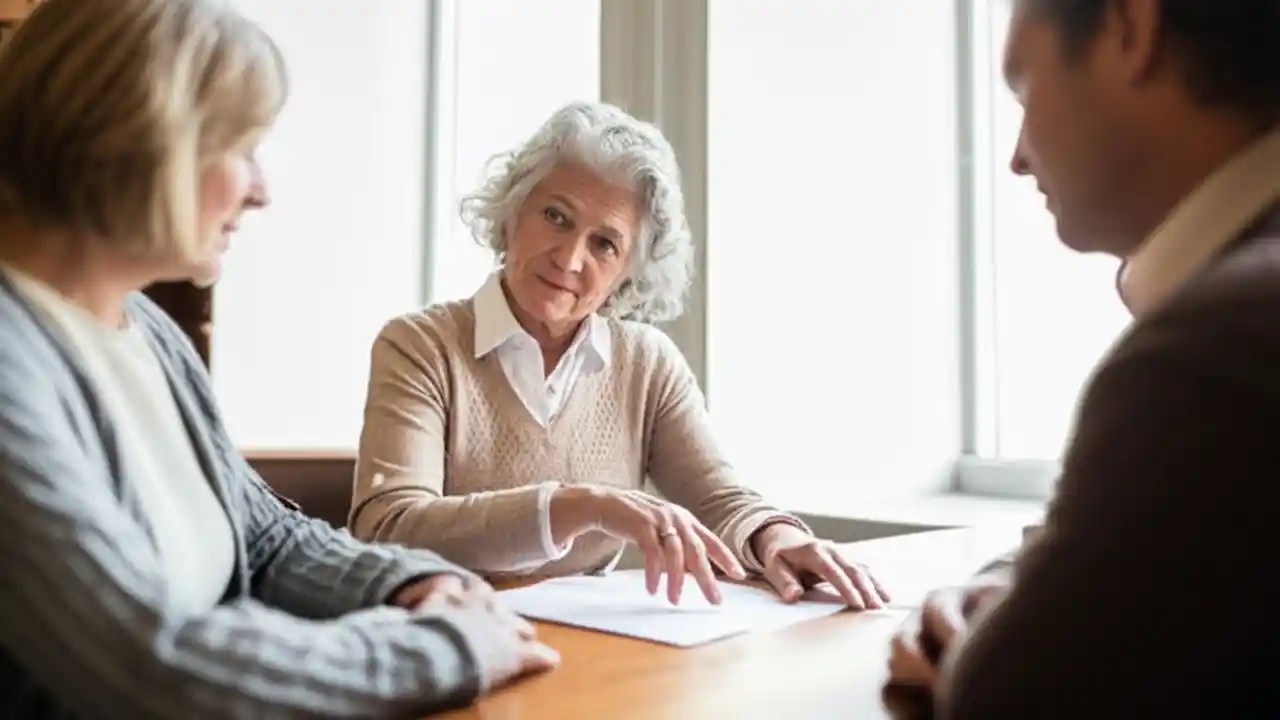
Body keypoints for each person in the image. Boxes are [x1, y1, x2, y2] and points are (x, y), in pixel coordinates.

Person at [0, 1, 558, 716]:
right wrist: (448, 649)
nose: (261, 190)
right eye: (241, 149)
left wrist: (408, 585)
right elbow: (145, 660)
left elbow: (263, 539)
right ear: (140, 141)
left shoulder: (142, 325)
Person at [888, 0, 1280, 716]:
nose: (1013, 156)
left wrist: (988, 631)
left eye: (1022, 88)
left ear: (1130, 30)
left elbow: (1010, 695)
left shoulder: (1215, 348)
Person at [351, 101, 890, 609]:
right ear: (513, 214)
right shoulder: (420, 346)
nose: (569, 257)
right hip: (451, 640)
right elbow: (389, 527)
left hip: (594, 650)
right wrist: (579, 506)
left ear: (627, 274)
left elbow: (718, 498)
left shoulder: (647, 363)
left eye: (604, 244)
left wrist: (777, 536)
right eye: (556, 217)